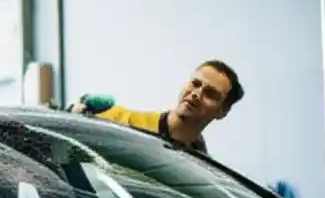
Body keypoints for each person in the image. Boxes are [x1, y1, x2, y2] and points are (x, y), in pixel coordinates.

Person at [69, 59, 245, 154]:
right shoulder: (122, 122)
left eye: (210, 93)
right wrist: (73, 113)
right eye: (195, 83)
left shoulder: (199, 157)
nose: (196, 94)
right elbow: (60, 146)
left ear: (223, 111)